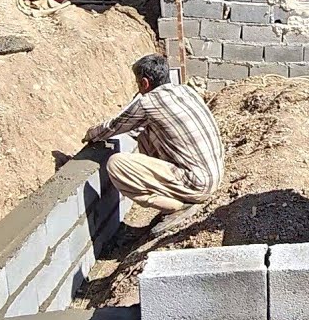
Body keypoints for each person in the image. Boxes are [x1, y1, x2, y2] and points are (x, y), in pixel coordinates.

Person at [83, 54, 224, 235]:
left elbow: (112, 127)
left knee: (116, 164)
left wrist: (90, 134)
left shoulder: (148, 102)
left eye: (137, 83)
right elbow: (134, 129)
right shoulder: (186, 91)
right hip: (213, 176)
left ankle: (177, 206)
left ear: (145, 83)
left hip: (197, 184)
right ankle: (176, 195)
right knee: (142, 132)